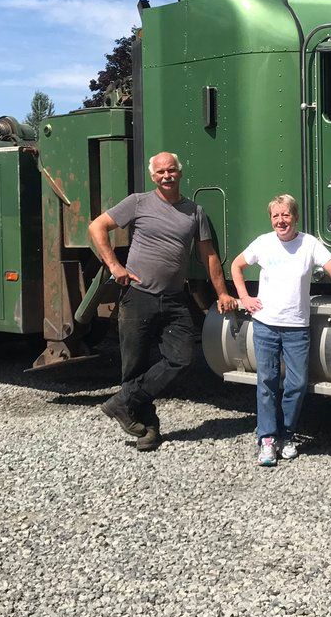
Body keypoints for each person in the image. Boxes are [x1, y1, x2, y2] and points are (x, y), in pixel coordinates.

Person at [88, 151, 235, 451]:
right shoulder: (138, 202)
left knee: (181, 357)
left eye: (171, 170)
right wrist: (115, 266)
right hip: (138, 297)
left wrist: (221, 293)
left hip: (173, 298)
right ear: (153, 177)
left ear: (180, 173)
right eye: (160, 172)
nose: (167, 176)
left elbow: (208, 256)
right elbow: (96, 227)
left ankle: (122, 402)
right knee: (135, 366)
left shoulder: (194, 212)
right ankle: (149, 429)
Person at [231, 194, 331, 466]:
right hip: (266, 325)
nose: (281, 221)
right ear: (271, 219)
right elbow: (237, 266)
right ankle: (267, 439)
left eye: (285, 215)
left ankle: (288, 434)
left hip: (296, 328)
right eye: (275, 216)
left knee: (297, 383)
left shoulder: (309, 244)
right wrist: (244, 297)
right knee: (266, 383)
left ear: (295, 216)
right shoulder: (263, 243)